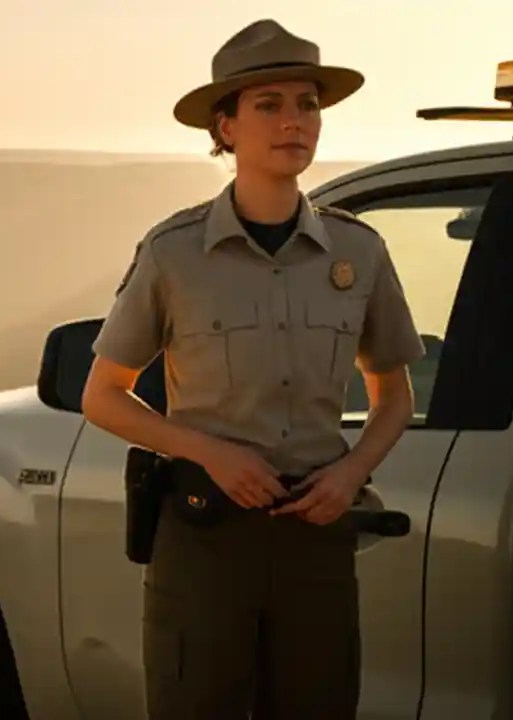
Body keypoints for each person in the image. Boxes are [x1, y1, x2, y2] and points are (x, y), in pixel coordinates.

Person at [81, 18, 426, 720]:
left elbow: (394, 396)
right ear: (226, 127)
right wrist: (208, 452)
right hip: (205, 538)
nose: (294, 121)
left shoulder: (359, 253)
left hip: (317, 541)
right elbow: (104, 397)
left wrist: (351, 474)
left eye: (307, 104)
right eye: (269, 105)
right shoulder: (174, 253)